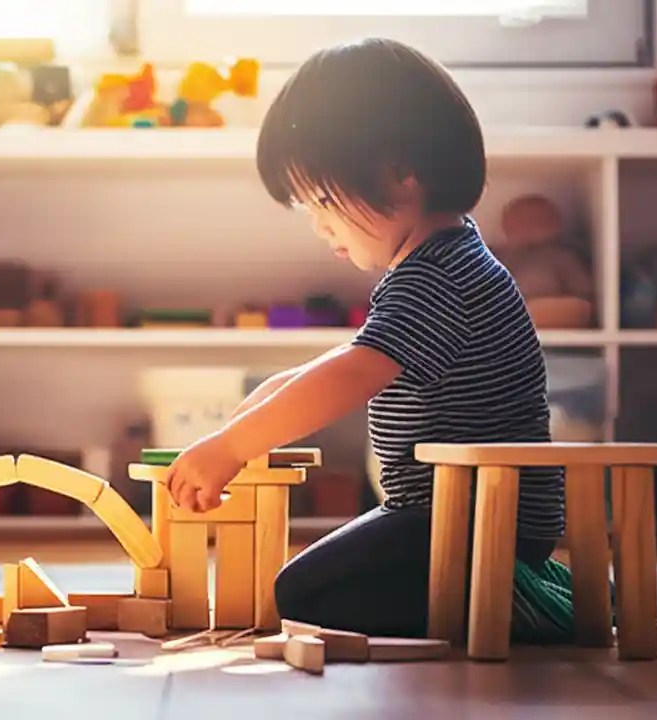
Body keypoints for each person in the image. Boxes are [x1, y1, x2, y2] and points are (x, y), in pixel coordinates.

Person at [162, 37, 565, 637]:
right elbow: (355, 357)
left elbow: (352, 374)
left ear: (401, 176)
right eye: (307, 207)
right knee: (310, 589)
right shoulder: (442, 260)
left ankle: (513, 602)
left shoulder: (440, 274)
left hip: (475, 519)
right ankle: (498, 593)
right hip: (445, 512)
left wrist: (232, 447)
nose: (320, 225)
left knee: (303, 595)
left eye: (324, 200)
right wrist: (260, 405)